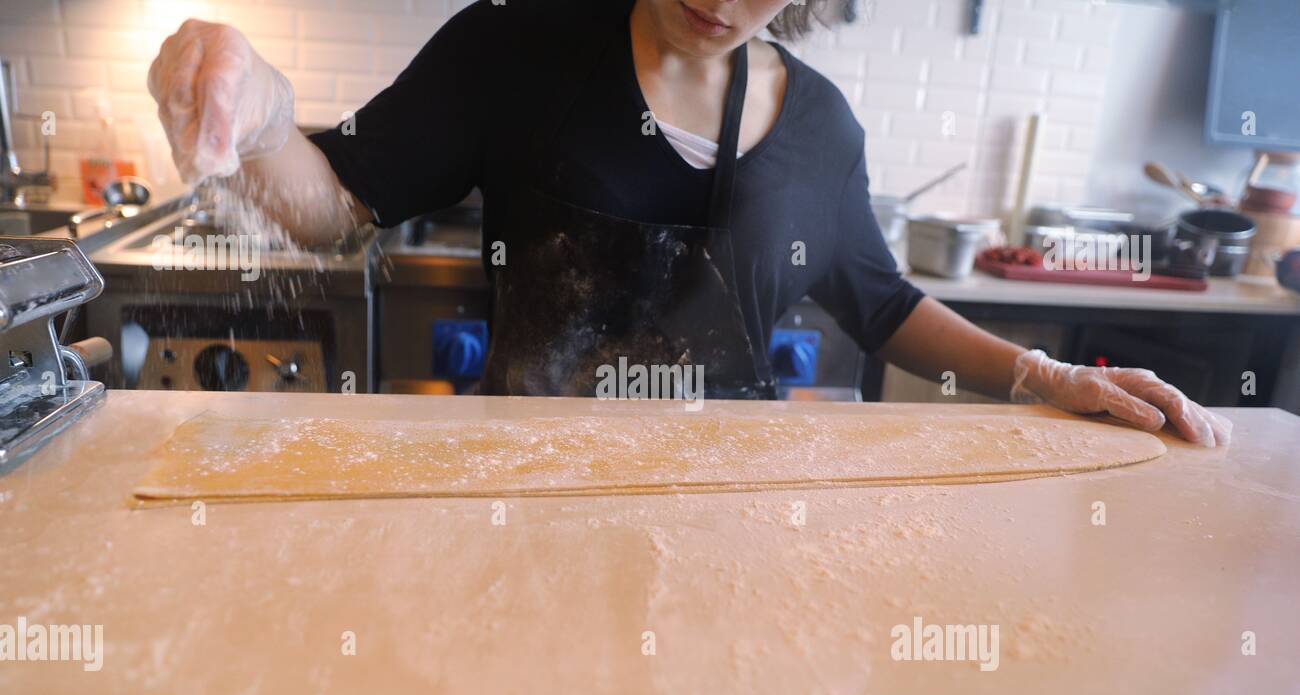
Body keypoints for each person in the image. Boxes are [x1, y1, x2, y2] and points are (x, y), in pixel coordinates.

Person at [147, 0, 1231, 445]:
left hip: (730, 514)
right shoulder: (514, 49)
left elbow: (884, 303)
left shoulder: (821, 128)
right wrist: (261, 121)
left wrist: (1049, 378)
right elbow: (333, 206)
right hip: (527, 499)